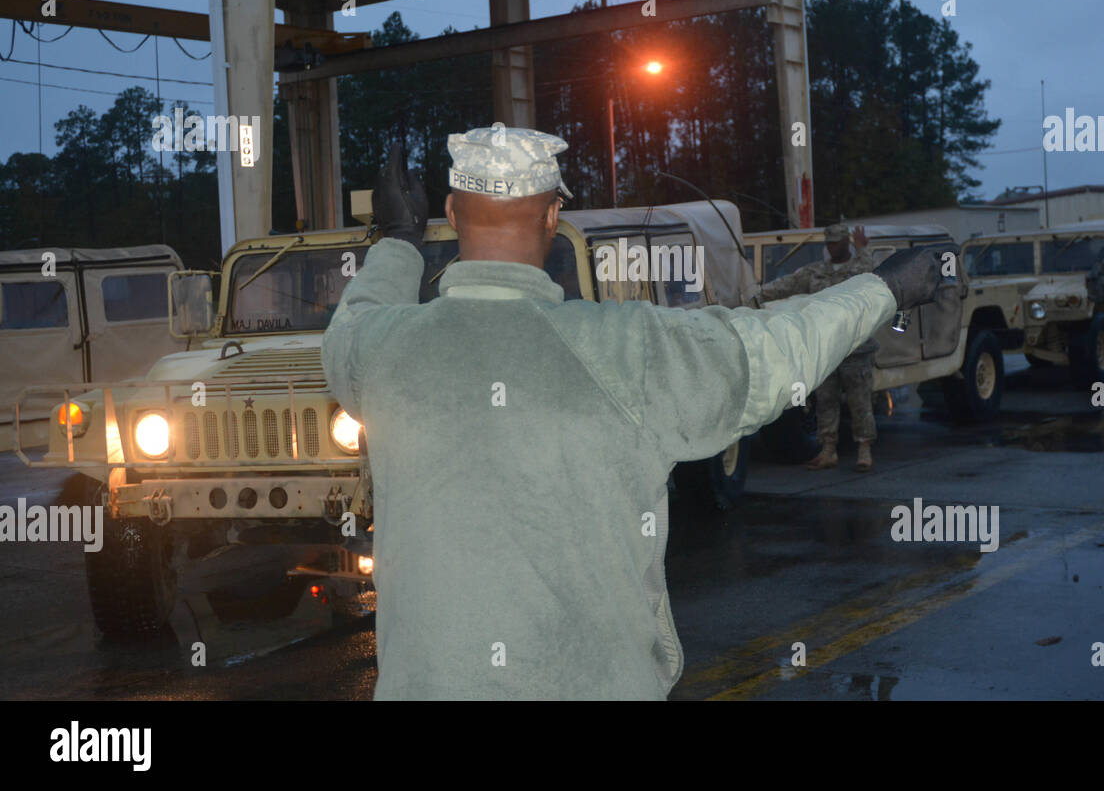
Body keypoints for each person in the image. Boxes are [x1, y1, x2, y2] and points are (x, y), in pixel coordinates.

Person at [321, 128, 943, 700]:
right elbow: (776, 352)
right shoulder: (627, 348)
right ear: (552, 214)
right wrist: (884, 288)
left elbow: (352, 320)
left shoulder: (377, 349)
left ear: (452, 215)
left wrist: (397, 244)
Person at [758, 223, 880, 472]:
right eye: (829, 243)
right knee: (826, 401)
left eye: (836, 242)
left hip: (854, 348)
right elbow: (787, 285)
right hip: (825, 350)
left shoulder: (859, 269)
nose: (832, 247)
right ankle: (828, 450)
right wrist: (756, 297)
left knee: (860, 402)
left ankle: (864, 450)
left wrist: (863, 250)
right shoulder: (815, 273)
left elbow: (874, 276)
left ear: (847, 242)